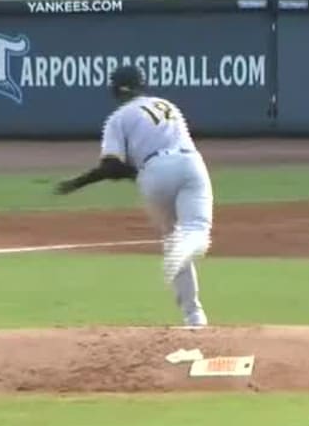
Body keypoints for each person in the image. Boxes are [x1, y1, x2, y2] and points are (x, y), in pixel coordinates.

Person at [53, 65, 213, 329]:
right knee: (197, 228)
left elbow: (110, 167)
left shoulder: (118, 118)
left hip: (154, 172)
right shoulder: (167, 105)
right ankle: (194, 238)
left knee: (173, 242)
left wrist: (77, 182)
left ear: (115, 89)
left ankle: (194, 317)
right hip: (191, 163)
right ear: (142, 84)